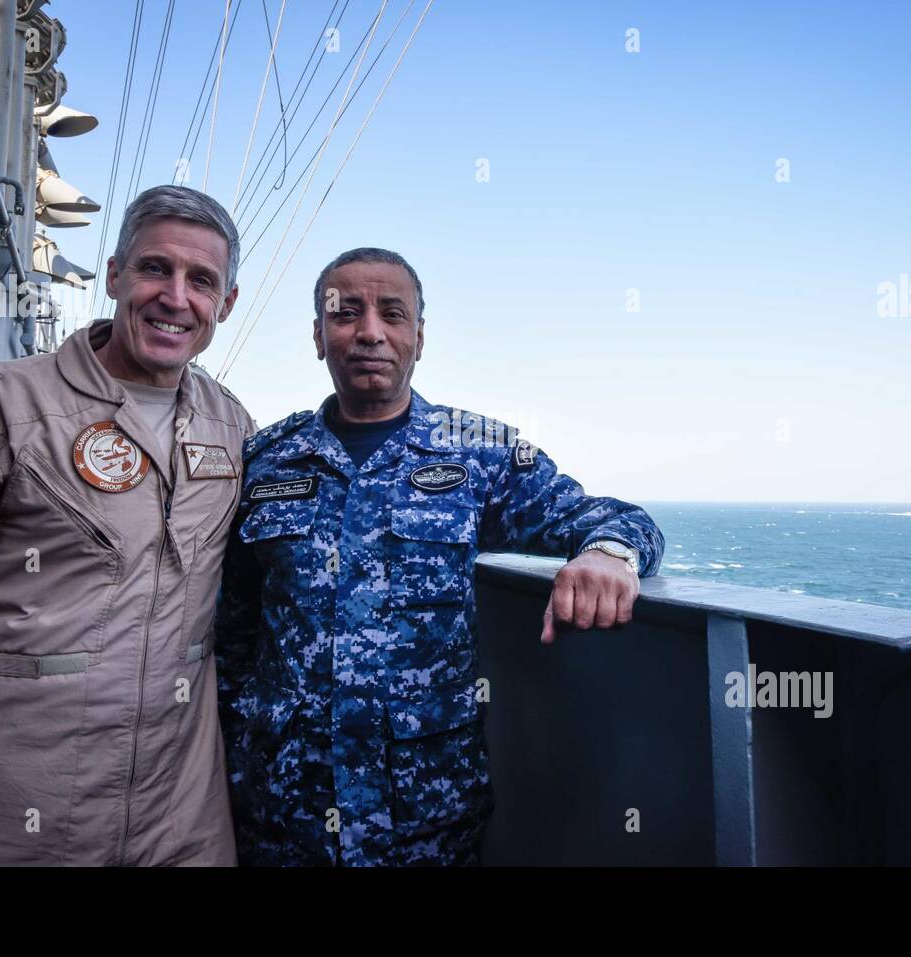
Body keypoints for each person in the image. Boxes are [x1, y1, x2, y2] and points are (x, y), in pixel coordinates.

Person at [0, 185, 254, 865]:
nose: (176, 297)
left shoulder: (233, 430)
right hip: (5, 814)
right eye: (154, 268)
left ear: (224, 305)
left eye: (201, 280)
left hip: (178, 822)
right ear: (114, 275)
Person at [216, 247, 664, 866]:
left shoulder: (478, 452)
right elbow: (233, 631)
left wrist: (609, 556)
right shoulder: (268, 459)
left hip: (424, 818)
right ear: (319, 337)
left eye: (392, 314)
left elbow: (611, 517)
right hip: (283, 811)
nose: (369, 331)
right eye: (345, 314)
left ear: (418, 338)